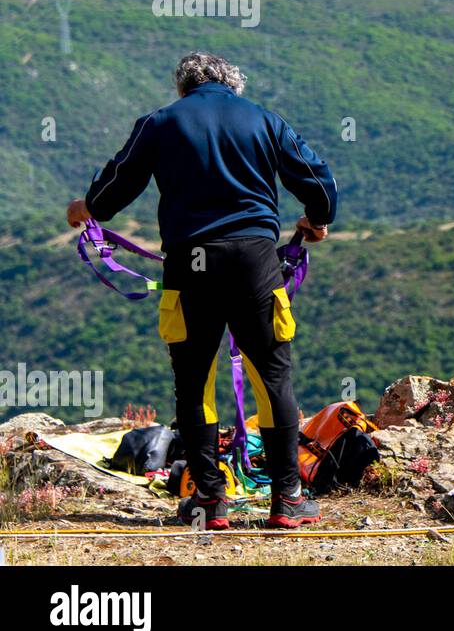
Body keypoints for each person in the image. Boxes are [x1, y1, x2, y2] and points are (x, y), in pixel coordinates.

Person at [65, 52, 337, 529]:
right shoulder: (265, 120)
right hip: (255, 259)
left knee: (193, 381)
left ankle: (209, 502)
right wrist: (316, 219)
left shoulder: (160, 123)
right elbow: (319, 180)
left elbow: (117, 185)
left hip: (190, 264)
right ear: (233, 85)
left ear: (183, 88)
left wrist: (84, 207)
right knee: (272, 376)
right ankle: (288, 499)